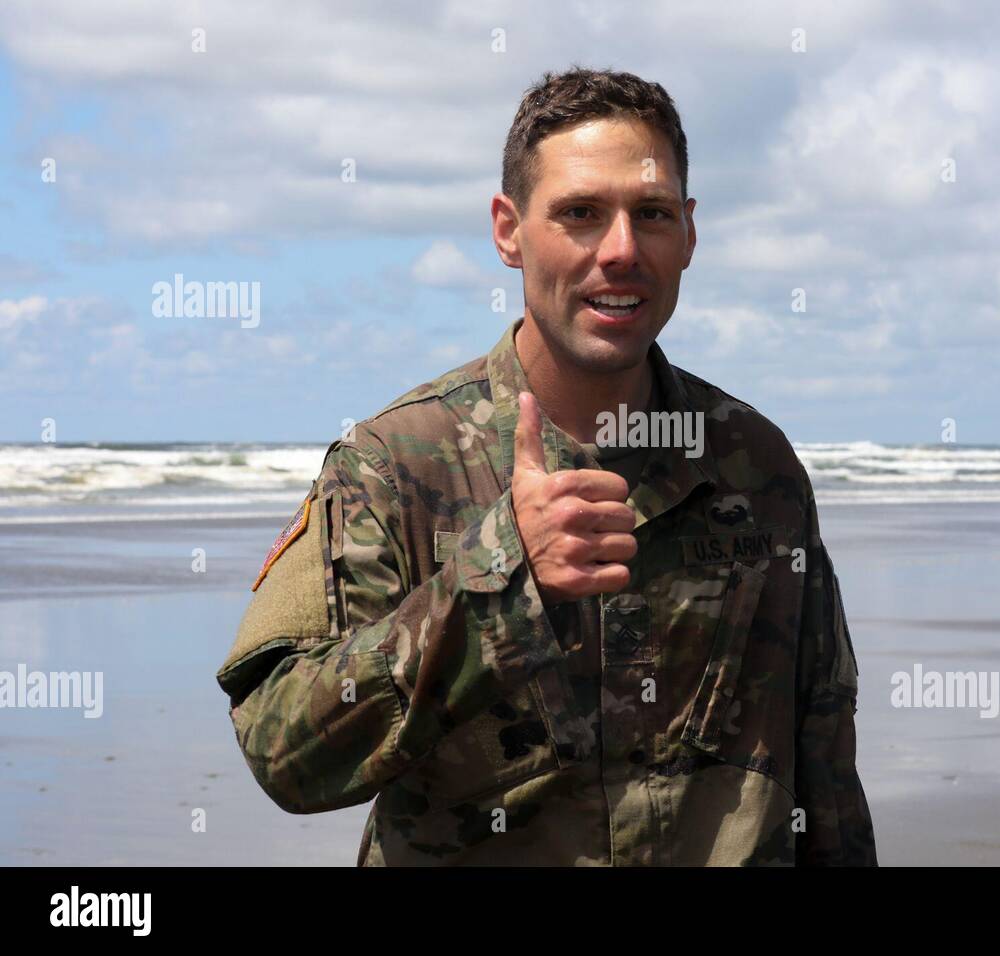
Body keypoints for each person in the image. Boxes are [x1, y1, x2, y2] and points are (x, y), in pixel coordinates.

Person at [216, 65, 877, 866]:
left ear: (690, 234)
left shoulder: (752, 463)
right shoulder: (395, 465)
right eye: (580, 214)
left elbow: (823, 752)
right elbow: (285, 753)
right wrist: (495, 583)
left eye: (653, 214)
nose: (623, 250)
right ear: (508, 230)